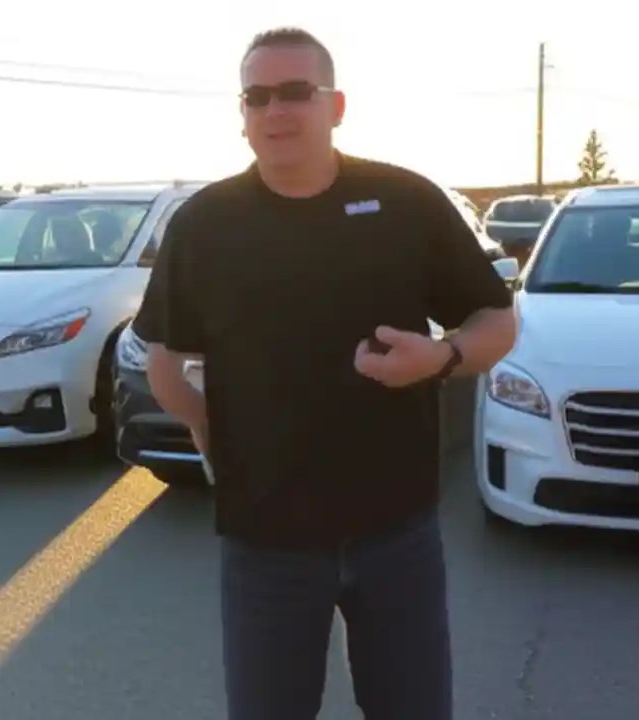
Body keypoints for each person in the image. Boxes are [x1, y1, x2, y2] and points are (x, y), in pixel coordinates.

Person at [131, 27, 516, 720]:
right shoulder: (205, 225)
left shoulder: (405, 202)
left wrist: (443, 358)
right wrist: (202, 422)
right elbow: (164, 357)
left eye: (295, 93)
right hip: (264, 541)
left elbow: (497, 319)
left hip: (396, 530)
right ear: (242, 115)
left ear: (335, 105)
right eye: (257, 96)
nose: (276, 110)